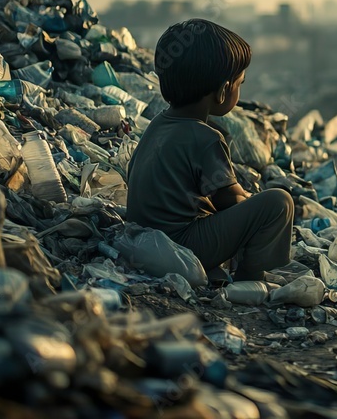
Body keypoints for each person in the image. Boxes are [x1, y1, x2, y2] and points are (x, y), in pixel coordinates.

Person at [126, 19, 294, 282]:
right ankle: (251, 276)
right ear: (223, 91)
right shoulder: (205, 138)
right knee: (278, 202)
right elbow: (228, 201)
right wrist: (249, 200)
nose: (239, 90)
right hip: (181, 248)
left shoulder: (158, 124)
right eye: (240, 84)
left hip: (142, 239)